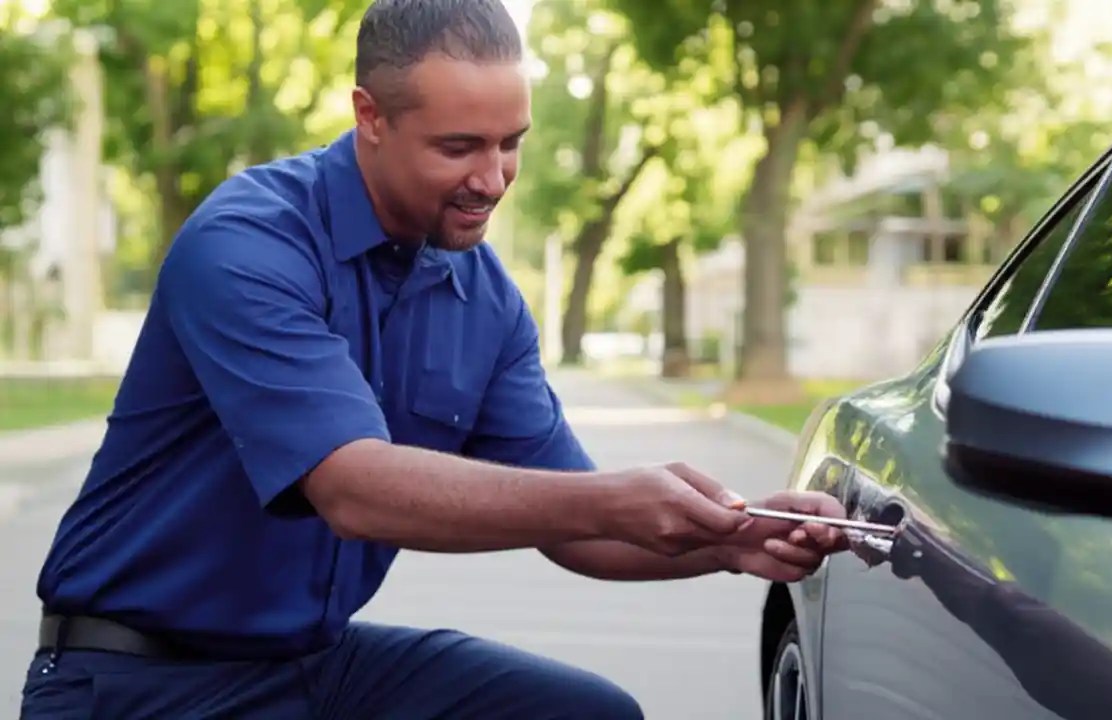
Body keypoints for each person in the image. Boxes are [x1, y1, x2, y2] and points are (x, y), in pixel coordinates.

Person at [19, 1, 850, 717]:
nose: (493, 179)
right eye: (459, 147)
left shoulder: (485, 297)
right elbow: (354, 489)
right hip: (136, 678)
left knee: (583, 712)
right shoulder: (249, 241)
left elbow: (580, 531)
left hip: (311, 668)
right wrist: (613, 499)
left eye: (511, 143)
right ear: (370, 116)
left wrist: (733, 541)